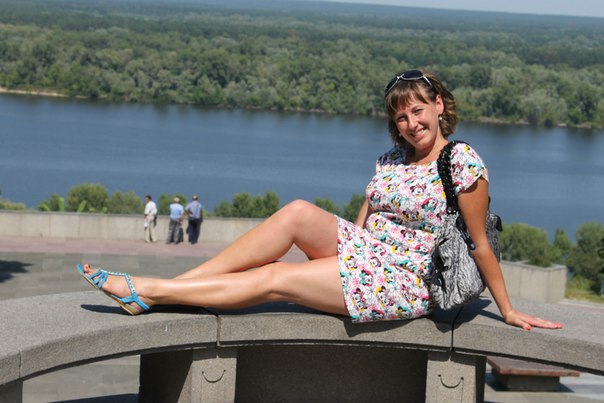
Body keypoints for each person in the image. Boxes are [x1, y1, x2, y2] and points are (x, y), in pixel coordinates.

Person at [77, 69, 562, 331]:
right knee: (296, 211)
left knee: (276, 278)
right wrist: (346, 251)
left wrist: (507, 309)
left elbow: (479, 243)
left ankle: (148, 290)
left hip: (411, 278)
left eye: (418, 111)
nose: (411, 124)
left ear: (438, 106)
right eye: (400, 117)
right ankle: (170, 289)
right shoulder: (391, 158)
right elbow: (366, 217)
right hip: (372, 255)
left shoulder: (461, 161)